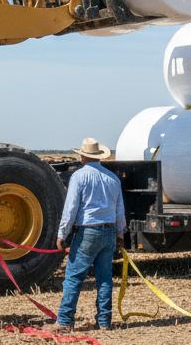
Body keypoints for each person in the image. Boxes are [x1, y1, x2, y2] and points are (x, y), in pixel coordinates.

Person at [53, 138, 126, 332]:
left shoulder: (79, 176)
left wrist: (62, 234)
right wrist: (120, 234)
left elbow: (70, 209)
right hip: (109, 231)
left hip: (87, 231)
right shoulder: (113, 178)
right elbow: (120, 210)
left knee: (74, 277)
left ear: (83, 156)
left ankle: (65, 320)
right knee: (105, 278)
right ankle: (104, 321)